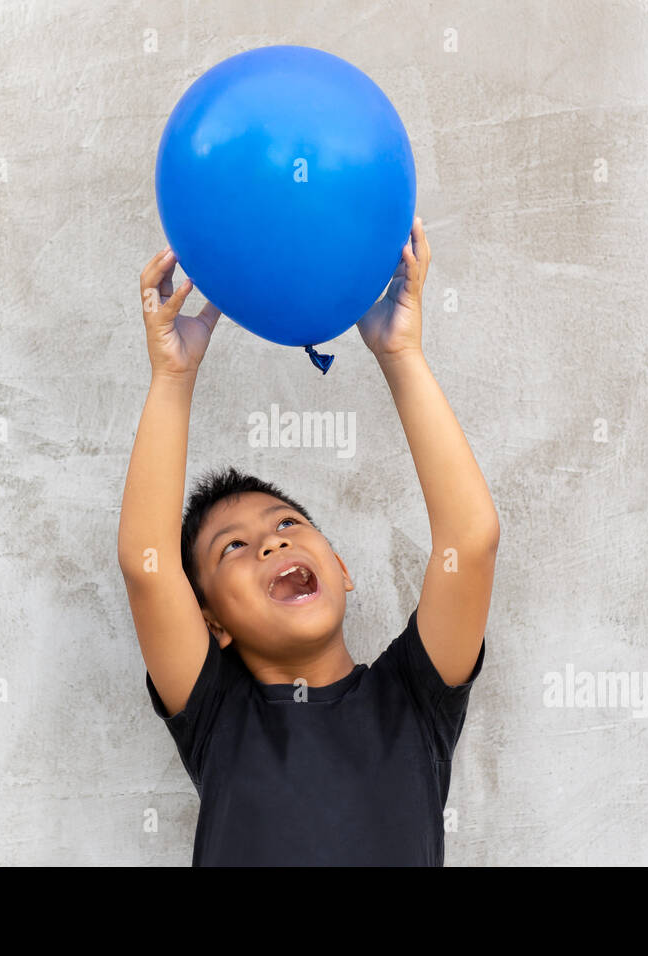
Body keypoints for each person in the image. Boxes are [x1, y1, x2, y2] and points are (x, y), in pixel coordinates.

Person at [117, 218, 500, 865]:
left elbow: (472, 539)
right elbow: (149, 569)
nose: (269, 543)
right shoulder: (220, 717)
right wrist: (172, 377)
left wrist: (401, 355)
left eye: (287, 525)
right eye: (232, 549)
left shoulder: (415, 698)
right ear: (211, 623)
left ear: (342, 568)